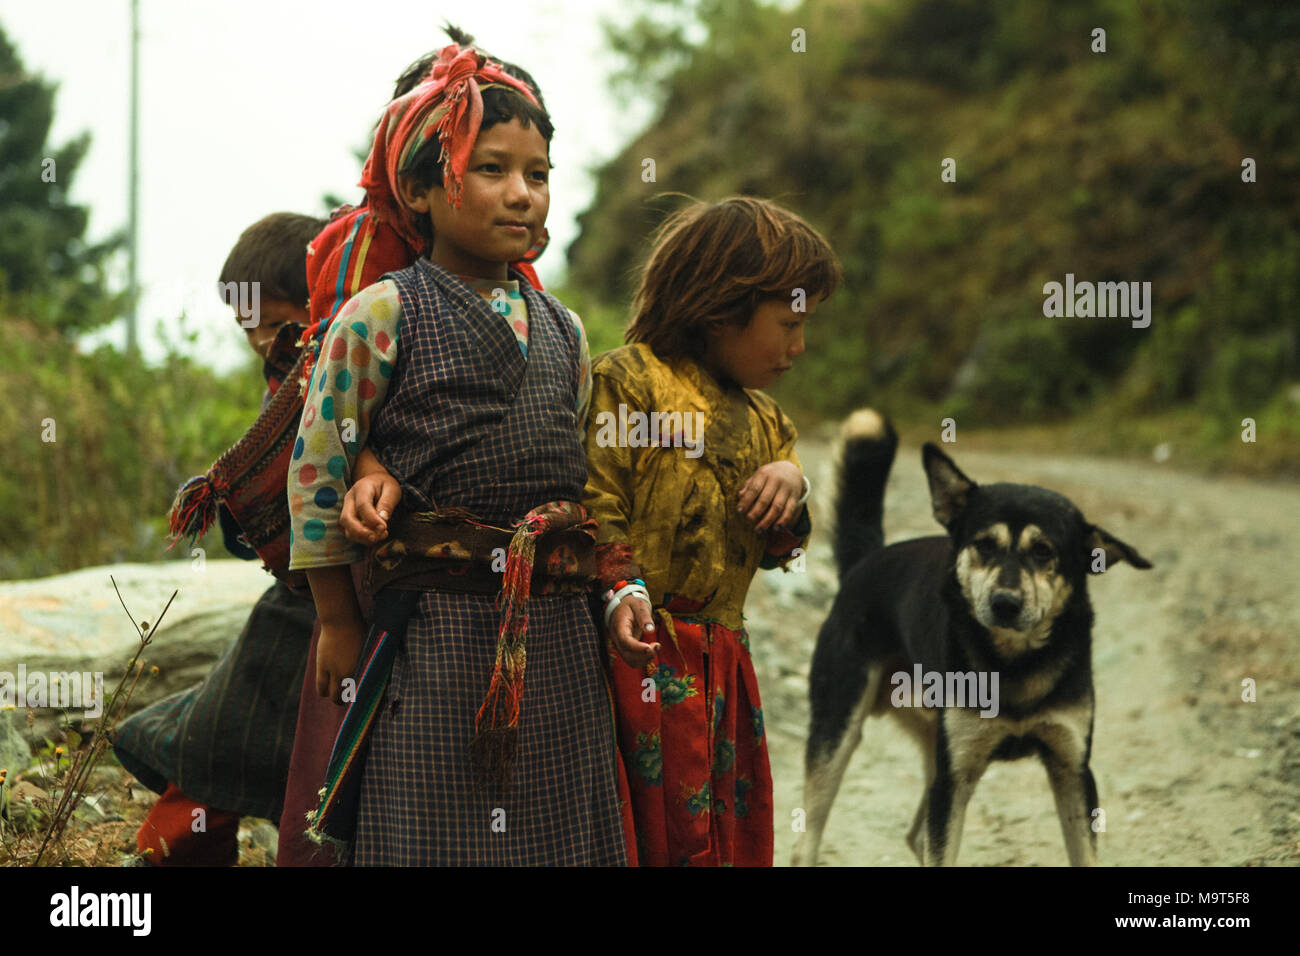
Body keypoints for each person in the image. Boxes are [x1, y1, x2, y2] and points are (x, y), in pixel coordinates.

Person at [288, 42, 629, 865]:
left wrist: (620, 590)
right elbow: (318, 468)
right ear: (419, 189)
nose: (521, 193)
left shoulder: (566, 330)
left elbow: (578, 479)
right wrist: (337, 619)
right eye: (489, 169)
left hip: (557, 638)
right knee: (428, 831)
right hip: (434, 635)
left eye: (539, 174)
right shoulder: (378, 314)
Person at [587, 196, 840, 866]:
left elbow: (782, 542)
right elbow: (596, 498)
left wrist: (794, 486)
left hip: (723, 661)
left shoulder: (768, 422)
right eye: (788, 324)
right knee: (645, 829)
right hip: (635, 652)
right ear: (720, 311)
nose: (798, 346)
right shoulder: (630, 382)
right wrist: (621, 588)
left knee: (723, 830)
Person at [112, 212, 325, 866]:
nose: (260, 339)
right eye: (246, 325)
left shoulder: (328, 365)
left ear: (313, 298)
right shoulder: (291, 376)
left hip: (318, 602)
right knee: (211, 744)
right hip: (304, 600)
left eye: (267, 319)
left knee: (213, 743)